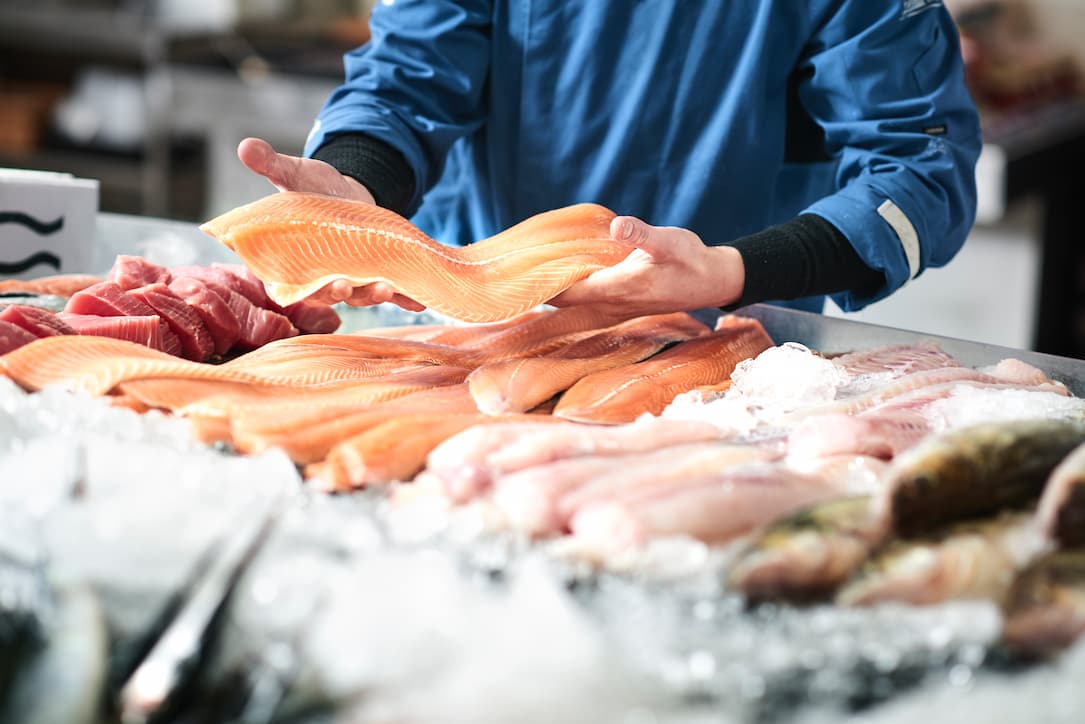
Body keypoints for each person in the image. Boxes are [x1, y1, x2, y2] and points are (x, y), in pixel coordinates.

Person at [239, 0, 980, 322]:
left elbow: (920, 168)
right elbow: (406, 81)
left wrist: (733, 272)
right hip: (467, 334)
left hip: (728, 359)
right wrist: (356, 180)